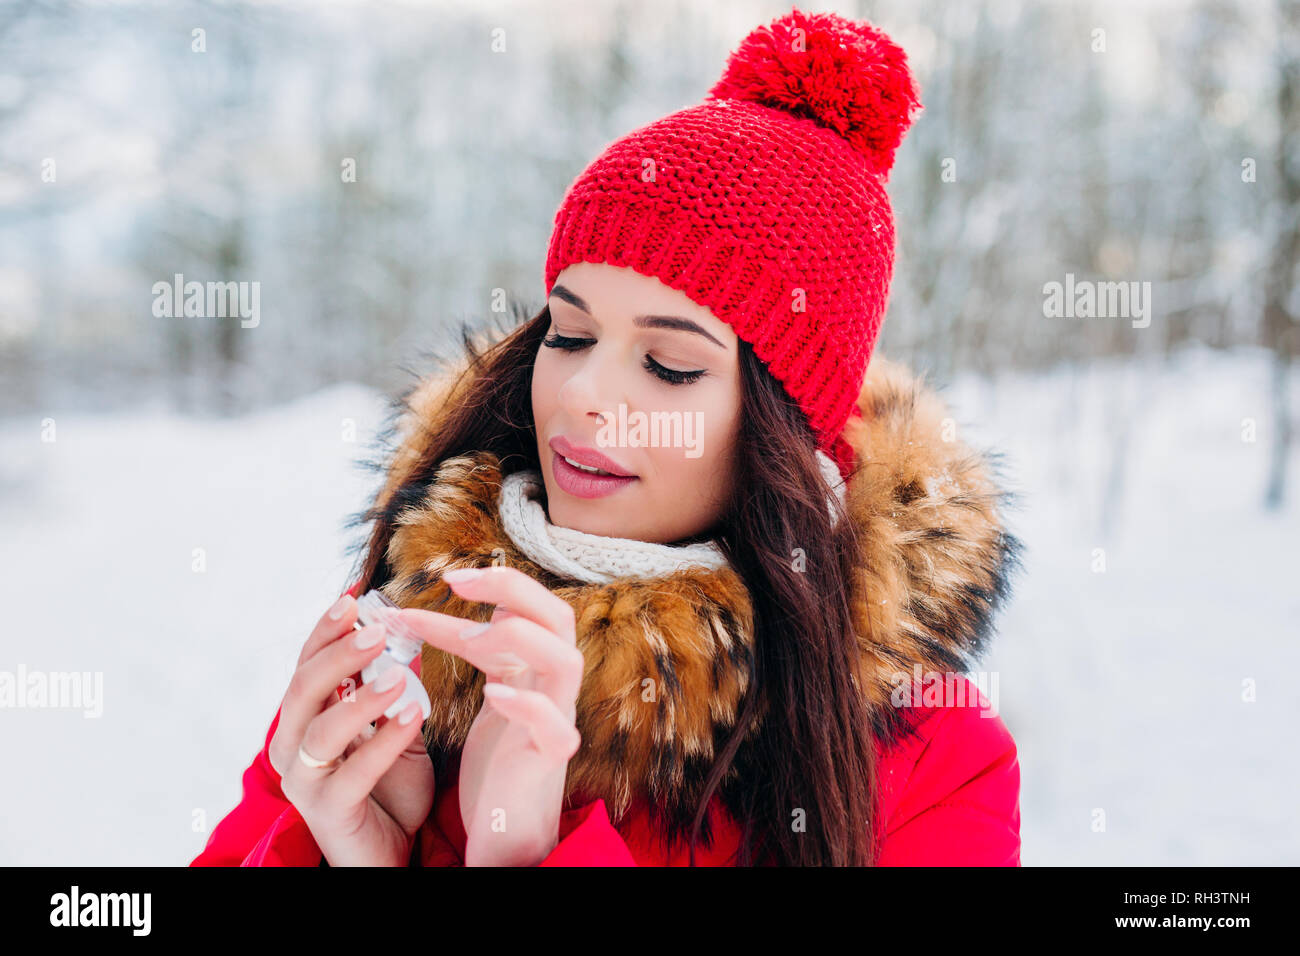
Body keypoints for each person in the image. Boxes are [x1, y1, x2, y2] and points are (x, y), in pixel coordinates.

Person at [191, 8, 1023, 867]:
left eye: (667, 364)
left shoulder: (936, 761)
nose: (584, 395)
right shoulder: (409, 655)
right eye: (570, 336)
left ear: (789, 433)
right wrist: (346, 852)